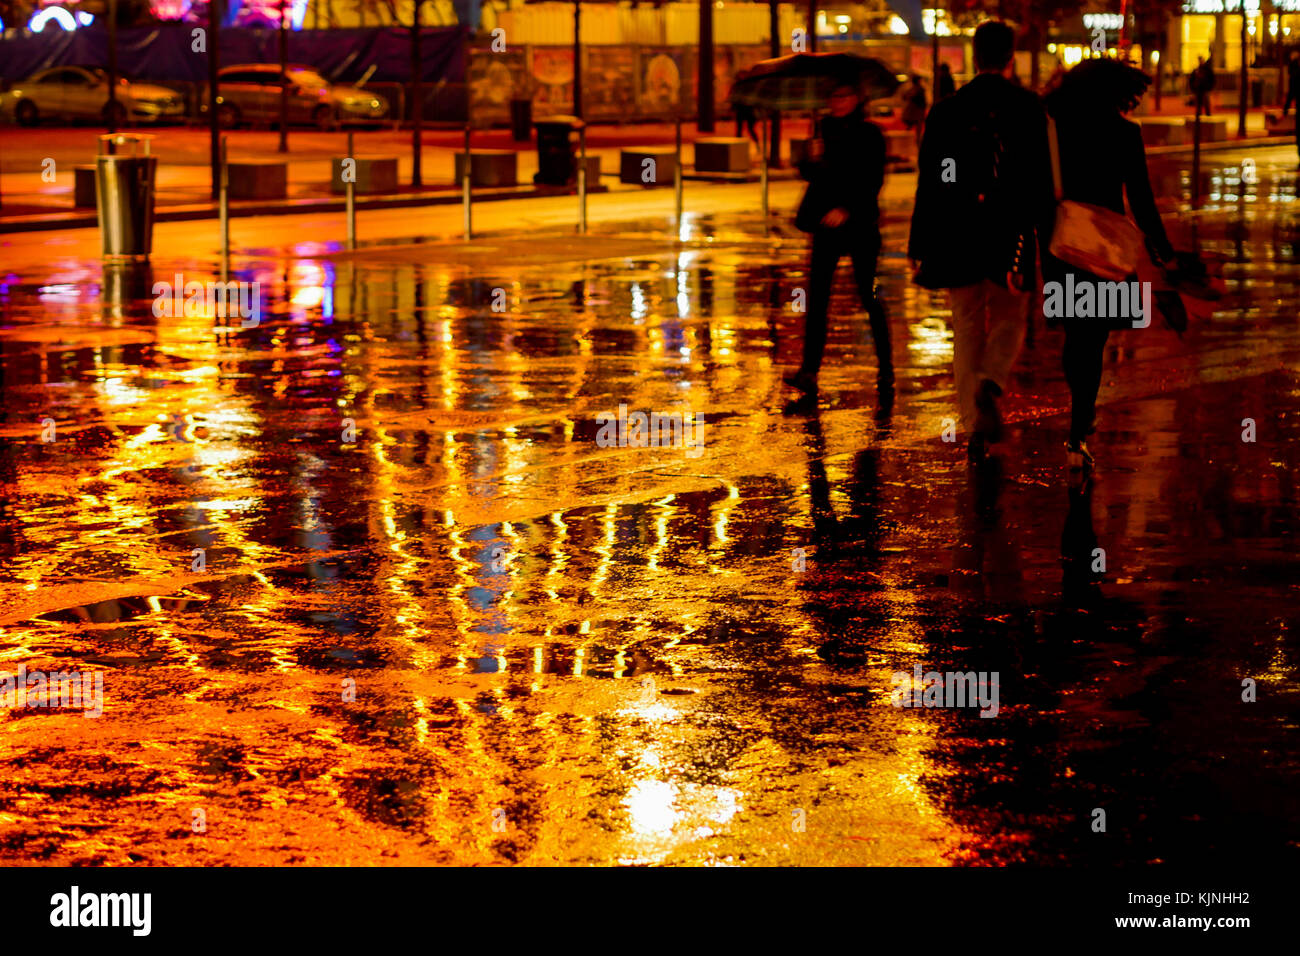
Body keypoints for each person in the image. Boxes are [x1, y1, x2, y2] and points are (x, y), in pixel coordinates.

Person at [907, 20, 1053, 462]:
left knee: (967, 325)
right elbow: (1042, 183)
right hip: (1011, 233)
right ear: (1010, 58)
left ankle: (973, 421)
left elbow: (932, 180)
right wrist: (1046, 242)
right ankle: (992, 380)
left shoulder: (947, 110)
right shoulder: (1030, 109)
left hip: (957, 231)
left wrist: (920, 241)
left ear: (973, 57)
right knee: (1011, 317)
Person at [1042, 59, 1180, 473]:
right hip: (1106, 248)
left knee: (1074, 333)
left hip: (1061, 243)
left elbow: (1035, 187)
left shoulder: (1053, 128)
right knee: (1094, 339)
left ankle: (1079, 415)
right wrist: (1163, 253)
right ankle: (1079, 425)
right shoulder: (1125, 133)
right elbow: (1140, 199)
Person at [783, 83, 893, 400]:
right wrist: (810, 159)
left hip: (859, 226)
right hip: (826, 227)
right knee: (817, 299)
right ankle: (809, 371)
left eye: (843, 95)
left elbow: (873, 179)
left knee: (869, 295)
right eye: (833, 95)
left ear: (858, 98)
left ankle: (886, 369)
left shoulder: (870, 134)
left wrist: (848, 208)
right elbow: (818, 177)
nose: (837, 101)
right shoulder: (824, 129)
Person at [900, 74, 928, 150]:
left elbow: (908, 95)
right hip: (918, 108)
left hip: (917, 108)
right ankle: (917, 139)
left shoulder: (917, 89)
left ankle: (918, 139)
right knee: (916, 122)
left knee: (917, 123)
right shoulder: (918, 88)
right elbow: (907, 95)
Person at [1286, 52, 1300, 116]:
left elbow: (1290, 72)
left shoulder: (1293, 63)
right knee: (1294, 97)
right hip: (1296, 82)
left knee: (1290, 97)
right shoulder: (1296, 63)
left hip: (1293, 82)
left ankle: (1285, 111)